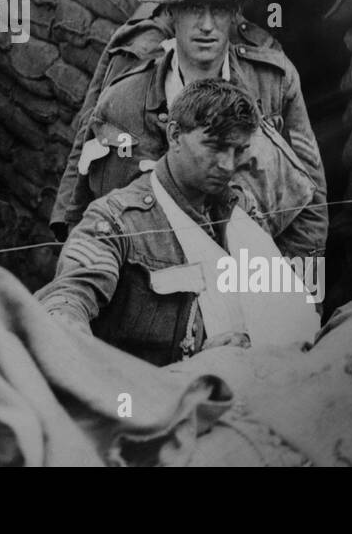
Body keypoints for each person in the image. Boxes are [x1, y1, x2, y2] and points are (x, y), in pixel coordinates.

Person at [57, 0, 328, 261]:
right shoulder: (125, 96)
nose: (207, 25)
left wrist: (295, 293)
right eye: (194, 8)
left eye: (219, 9)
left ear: (234, 13)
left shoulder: (273, 82)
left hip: (246, 272)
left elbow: (311, 199)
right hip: (151, 278)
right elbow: (82, 202)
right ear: (171, 11)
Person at [37, 79, 320, 366]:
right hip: (154, 398)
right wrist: (64, 321)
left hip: (246, 387)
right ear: (174, 135)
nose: (227, 164)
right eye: (214, 146)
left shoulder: (239, 211)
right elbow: (72, 293)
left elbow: (278, 306)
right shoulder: (116, 221)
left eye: (238, 150)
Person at [52, 0, 284, 233]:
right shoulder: (141, 45)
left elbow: (297, 177)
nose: (207, 20)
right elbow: (92, 132)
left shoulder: (263, 59)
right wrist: (67, 219)